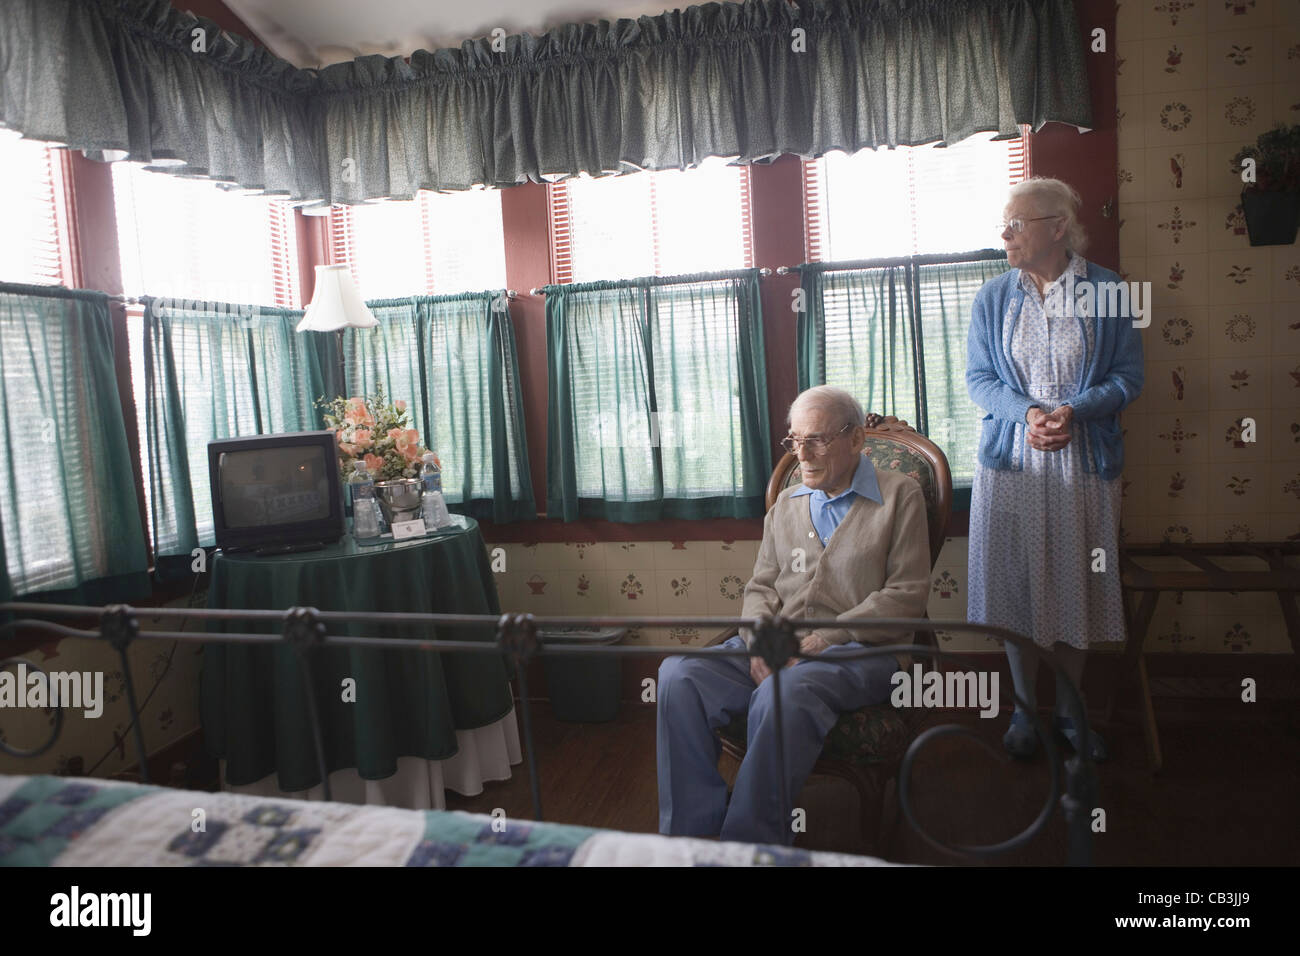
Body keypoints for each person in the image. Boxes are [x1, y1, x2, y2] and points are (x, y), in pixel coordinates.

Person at [656, 386, 931, 846]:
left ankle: (751, 845)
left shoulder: (900, 495)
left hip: (862, 650)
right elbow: (761, 587)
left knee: (781, 693)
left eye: (817, 440)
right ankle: (691, 837)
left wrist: (825, 638)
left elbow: (907, 595)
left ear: (856, 439)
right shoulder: (786, 504)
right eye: (795, 440)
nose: (801, 454)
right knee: (677, 676)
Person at [966, 177, 1144, 763]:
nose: (1005, 235)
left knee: (1078, 585)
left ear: (1057, 227)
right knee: (1015, 585)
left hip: (1083, 465)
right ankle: (1023, 710)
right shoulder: (993, 296)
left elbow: (1128, 378)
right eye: (1004, 224)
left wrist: (1073, 410)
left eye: (1016, 224)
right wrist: (1029, 414)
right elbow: (979, 380)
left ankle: (1069, 712)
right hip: (1011, 465)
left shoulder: (1108, 290)